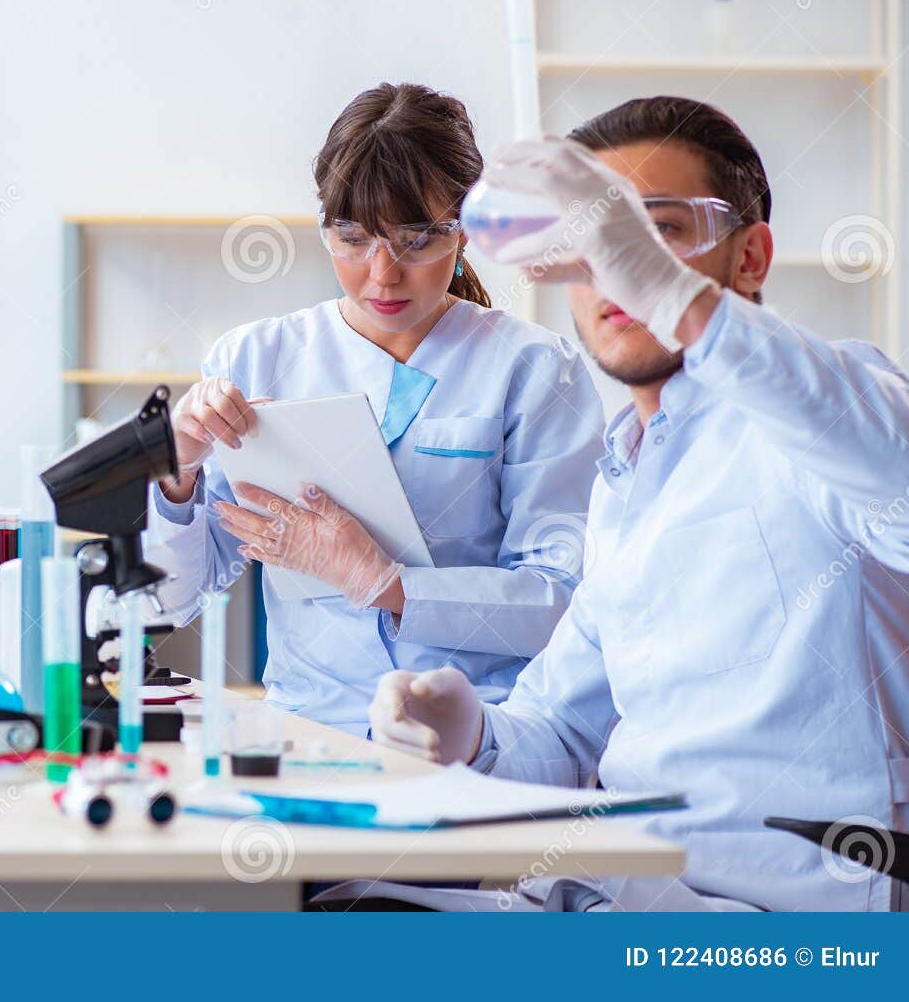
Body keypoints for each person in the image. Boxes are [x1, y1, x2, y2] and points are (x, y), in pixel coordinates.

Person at [368, 96, 909, 911]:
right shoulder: (624, 479)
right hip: (615, 900)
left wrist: (676, 299)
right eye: (594, 246)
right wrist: (467, 732)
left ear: (751, 258)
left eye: (658, 232)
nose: (615, 273)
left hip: (780, 936)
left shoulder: (821, 416)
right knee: (325, 910)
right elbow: (561, 732)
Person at [145, 83, 605, 736]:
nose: (382, 274)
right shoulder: (256, 358)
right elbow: (175, 596)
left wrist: (386, 582)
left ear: (467, 228)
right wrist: (177, 470)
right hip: (308, 737)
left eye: (416, 241)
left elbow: (561, 601)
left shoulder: (533, 370)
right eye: (353, 238)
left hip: (478, 737)